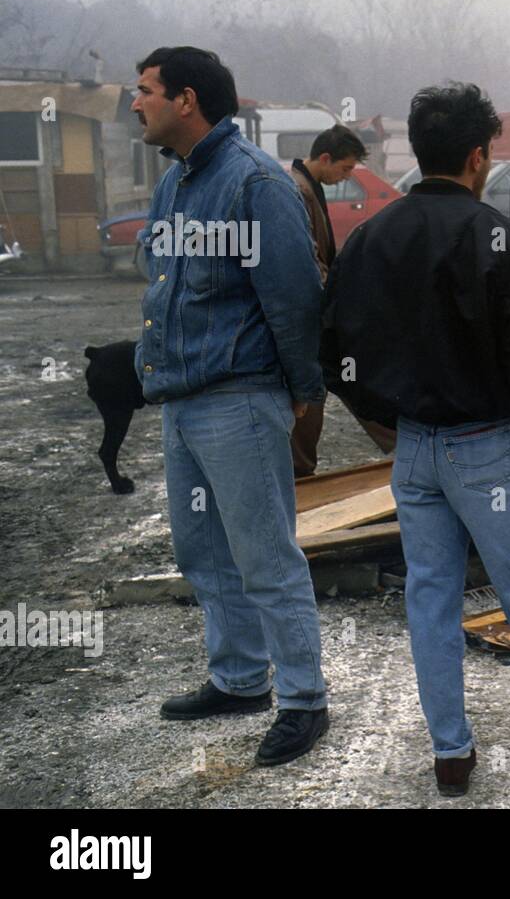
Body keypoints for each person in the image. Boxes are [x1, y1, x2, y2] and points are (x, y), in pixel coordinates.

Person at [319, 82, 510, 797]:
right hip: (490, 445)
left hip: (416, 449)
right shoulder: (500, 240)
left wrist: (383, 419)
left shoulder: (371, 238)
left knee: (430, 599)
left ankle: (451, 756)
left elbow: (332, 345)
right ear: (478, 155)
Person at [132, 46, 329, 765]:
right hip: (183, 403)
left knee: (265, 556)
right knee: (204, 550)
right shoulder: (177, 185)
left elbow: (294, 298)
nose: (135, 102)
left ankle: (304, 699)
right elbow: (161, 282)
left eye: (145, 91)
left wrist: (306, 393)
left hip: (240, 402)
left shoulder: (255, 185)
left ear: (186, 100)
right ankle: (241, 677)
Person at [287, 124, 397, 476]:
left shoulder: (306, 185)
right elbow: (305, 259)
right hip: (309, 314)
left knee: (340, 383)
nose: (347, 177)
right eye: (346, 169)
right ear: (324, 158)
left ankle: (302, 470)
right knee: (321, 392)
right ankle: (300, 474)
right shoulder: (298, 190)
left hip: (316, 311)